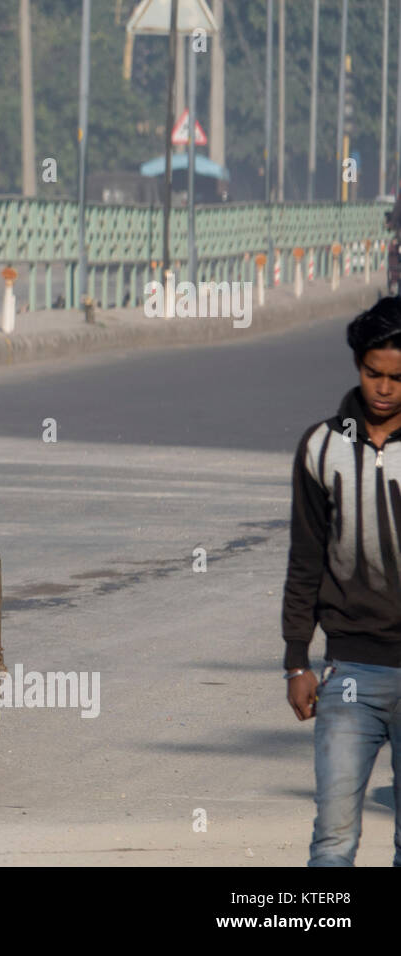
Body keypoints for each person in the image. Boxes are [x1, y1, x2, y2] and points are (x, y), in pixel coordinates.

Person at [282, 297, 401, 866]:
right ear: (358, 367)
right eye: (373, 373)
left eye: (398, 378)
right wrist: (296, 660)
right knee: (332, 841)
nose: (384, 388)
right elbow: (305, 558)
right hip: (351, 673)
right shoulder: (321, 448)